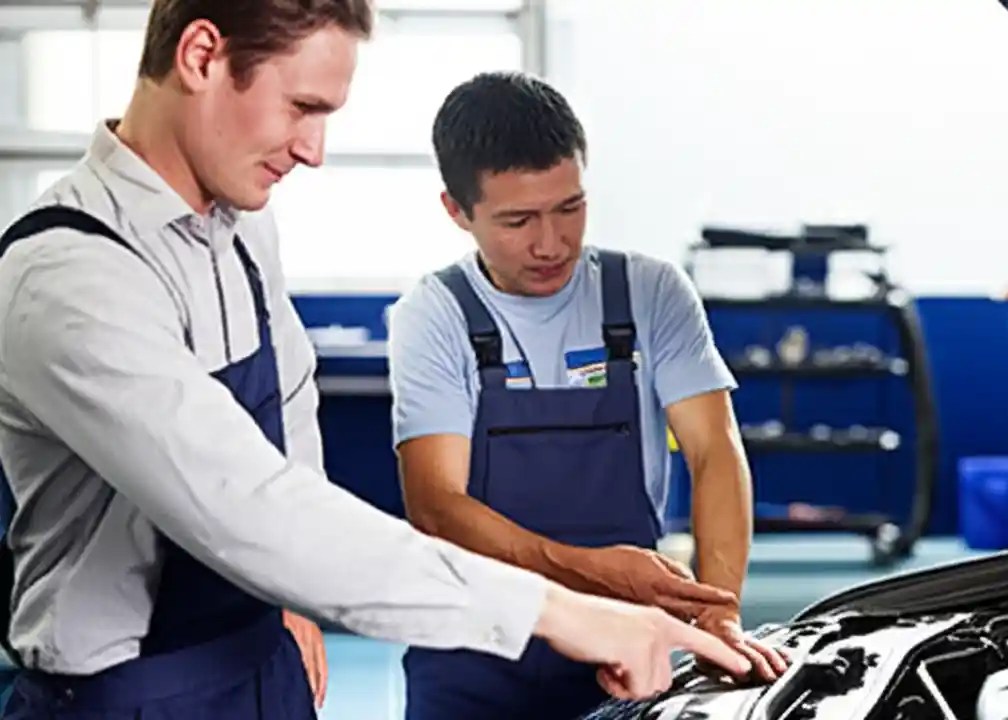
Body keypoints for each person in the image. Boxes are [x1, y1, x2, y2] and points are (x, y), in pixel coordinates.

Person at [0, 3, 751, 719]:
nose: (313, 150)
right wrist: (571, 610)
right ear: (201, 56)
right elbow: (247, 508)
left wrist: (291, 601)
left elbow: (289, 419)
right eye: (302, 107)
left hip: (266, 663)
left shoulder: (242, 230)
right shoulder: (67, 275)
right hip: (125, 696)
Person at [387, 71, 790, 720]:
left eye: (569, 207)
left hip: (623, 652)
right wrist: (594, 573)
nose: (551, 244)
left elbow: (715, 453)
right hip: (471, 651)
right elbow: (437, 507)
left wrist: (718, 612)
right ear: (456, 211)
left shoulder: (651, 295)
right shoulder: (432, 316)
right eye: (518, 220)